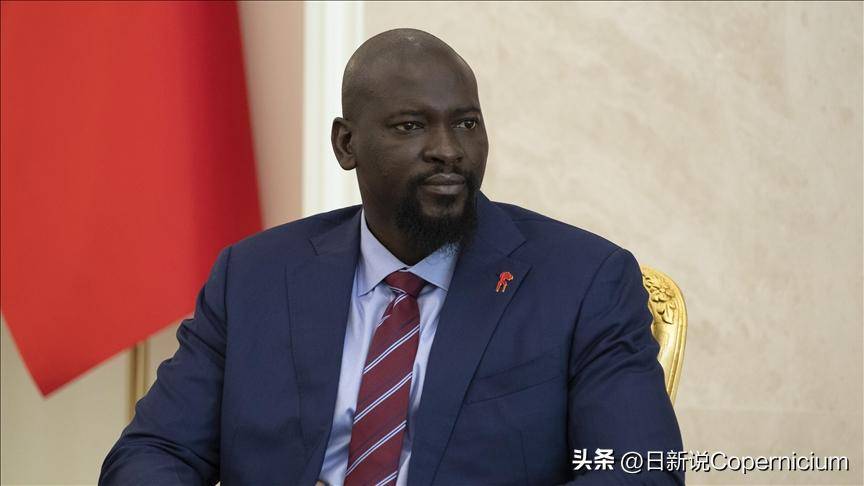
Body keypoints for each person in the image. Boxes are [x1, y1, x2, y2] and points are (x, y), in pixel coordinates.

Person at [100, 28, 683, 485]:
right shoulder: (254, 277)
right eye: (411, 126)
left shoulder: (582, 281)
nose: (448, 150)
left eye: (466, 124)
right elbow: (154, 452)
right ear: (346, 144)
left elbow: (640, 472)